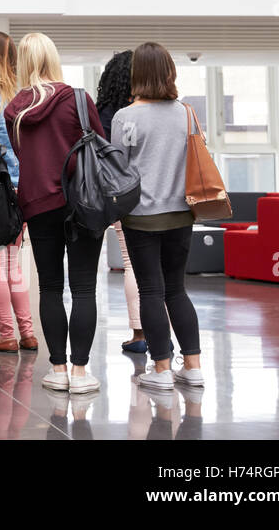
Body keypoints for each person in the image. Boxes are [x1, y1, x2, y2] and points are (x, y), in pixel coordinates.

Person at [5, 32, 104, 396]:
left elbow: (23, 158)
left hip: (38, 204)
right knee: (83, 287)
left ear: (23, 64)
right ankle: (80, 372)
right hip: (83, 202)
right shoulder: (78, 99)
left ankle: (57, 368)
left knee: (49, 287)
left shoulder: (15, 110)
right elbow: (98, 146)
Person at [109, 42, 205, 391]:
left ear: (137, 75)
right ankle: (192, 366)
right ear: (169, 73)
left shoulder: (125, 117)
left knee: (152, 290)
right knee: (177, 290)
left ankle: (161, 369)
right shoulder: (186, 113)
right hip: (182, 213)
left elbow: (118, 168)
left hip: (141, 216)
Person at [0, 30, 36, 353]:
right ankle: (27, 332)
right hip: (22, 187)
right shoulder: (24, 94)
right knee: (14, 264)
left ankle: (6, 334)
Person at [96, 49, 146, 354]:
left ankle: (139, 333)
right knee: (156, 269)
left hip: (122, 195)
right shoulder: (154, 109)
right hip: (161, 200)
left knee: (131, 264)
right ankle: (160, 334)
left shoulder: (105, 113)